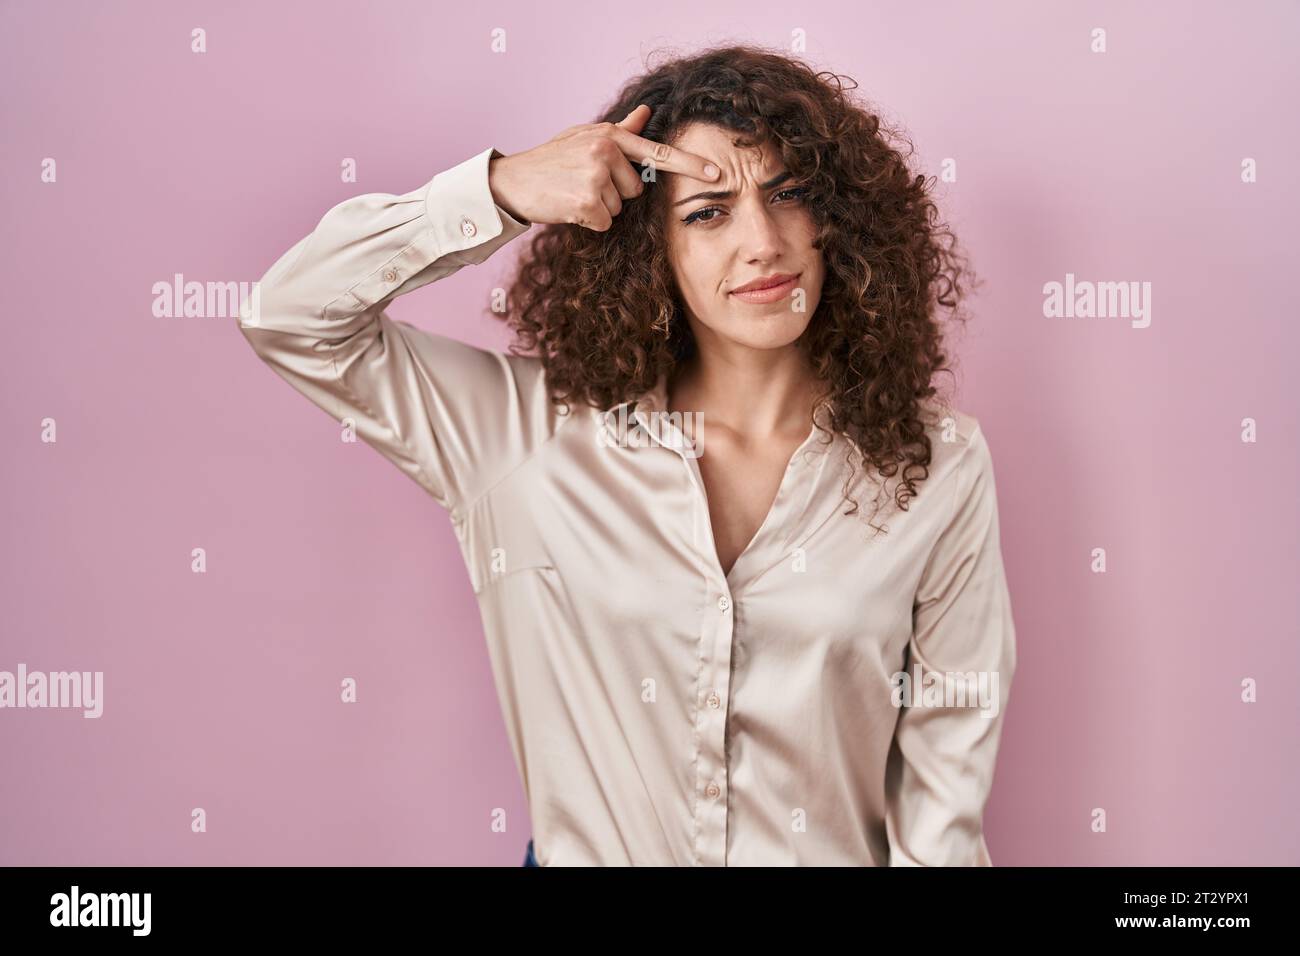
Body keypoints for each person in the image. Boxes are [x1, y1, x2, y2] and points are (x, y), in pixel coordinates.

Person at [236, 44, 1017, 867]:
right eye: (707, 211)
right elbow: (290, 317)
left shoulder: (939, 464)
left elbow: (944, 787)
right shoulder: (523, 437)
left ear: (839, 221)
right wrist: (499, 189)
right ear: (653, 249)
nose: (763, 242)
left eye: (789, 195)